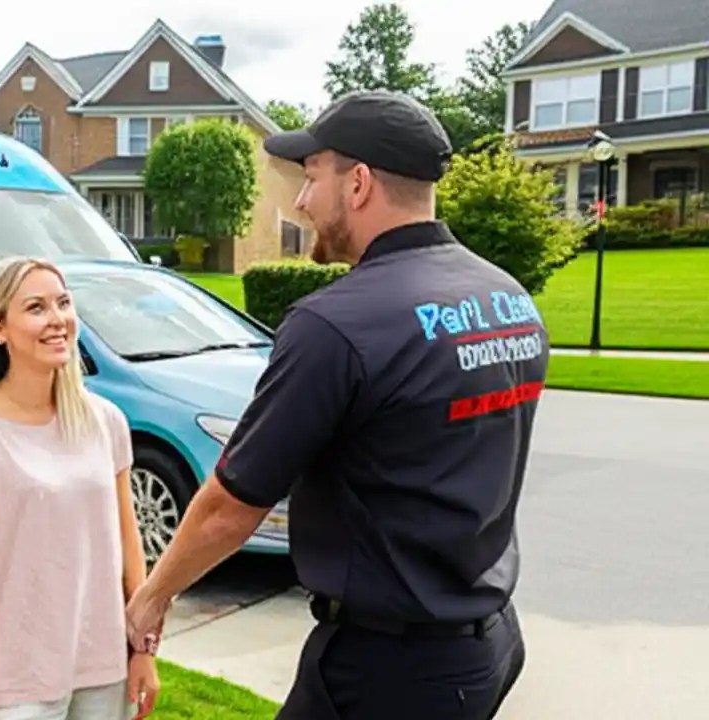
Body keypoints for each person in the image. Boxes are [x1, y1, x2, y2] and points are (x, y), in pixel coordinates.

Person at [123, 90, 546, 719]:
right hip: (486, 641)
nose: (300, 200)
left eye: (311, 176)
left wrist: (150, 598)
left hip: (390, 670)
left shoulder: (337, 324)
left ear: (358, 183)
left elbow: (231, 505)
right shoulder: (507, 299)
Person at [0, 256, 159, 720]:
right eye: (36, 307)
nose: (57, 320)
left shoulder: (105, 421)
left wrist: (144, 651)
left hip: (102, 664)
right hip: (19, 680)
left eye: (63, 303)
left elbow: (130, 547)